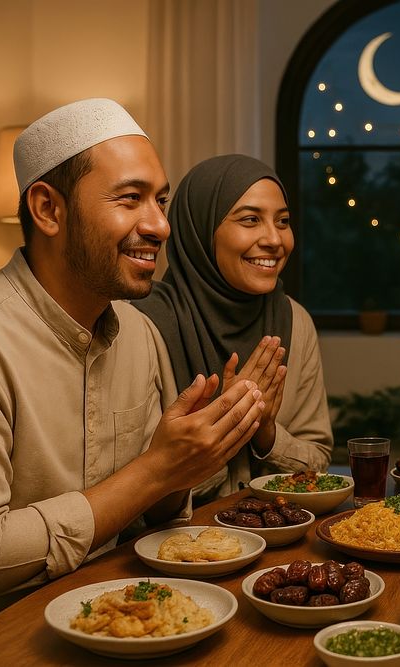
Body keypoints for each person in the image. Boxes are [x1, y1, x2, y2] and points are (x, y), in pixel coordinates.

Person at [0, 99, 265, 642]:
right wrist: (154, 470)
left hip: (125, 621)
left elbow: (157, 522)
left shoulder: (139, 333)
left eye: (161, 201)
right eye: (130, 200)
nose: (159, 226)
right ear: (48, 210)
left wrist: (186, 466)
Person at [135, 155, 333, 497]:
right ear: (201, 229)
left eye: (283, 221)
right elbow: (134, 490)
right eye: (251, 219)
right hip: (180, 545)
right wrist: (227, 422)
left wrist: (266, 431)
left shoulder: (294, 320)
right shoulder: (142, 326)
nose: (274, 239)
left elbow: (319, 463)